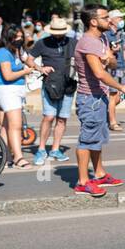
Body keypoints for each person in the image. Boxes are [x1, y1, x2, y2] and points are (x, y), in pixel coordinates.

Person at [72, 4, 125, 197]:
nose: (109, 21)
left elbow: (112, 60)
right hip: (90, 99)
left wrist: (107, 58)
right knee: (87, 140)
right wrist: (120, 87)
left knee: (97, 139)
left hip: (99, 96)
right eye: (105, 18)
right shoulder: (88, 42)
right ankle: (82, 182)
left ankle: (100, 174)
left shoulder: (101, 38)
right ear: (93, 22)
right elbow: (99, 72)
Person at [30, 16, 76, 166]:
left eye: (61, 32)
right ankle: (41, 149)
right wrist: (40, 68)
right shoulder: (42, 43)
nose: (58, 34)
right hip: (50, 84)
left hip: (68, 84)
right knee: (48, 117)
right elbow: (29, 59)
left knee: (62, 118)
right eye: (56, 31)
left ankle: (55, 149)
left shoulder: (72, 42)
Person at [0, 24, 37, 168]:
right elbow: (8, 75)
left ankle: (6, 157)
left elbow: (29, 60)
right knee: (16, 126)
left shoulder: (18, 50)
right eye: (16, 36)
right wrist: (25, 72)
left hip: (17, 90)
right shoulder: (3, 52)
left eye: (20, 36)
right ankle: (18, 157)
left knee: (6, 125)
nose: (19, 39)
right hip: (7, 90)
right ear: (8, 37)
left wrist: (41, 68)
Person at [103, 9, 125, 132]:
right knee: (113, 96)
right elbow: (105, 54)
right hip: (112, 68)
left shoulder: (120, 34)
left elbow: (124, 52)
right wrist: (113, 51)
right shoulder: (106, 35)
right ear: (111, 20)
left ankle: (106, 109)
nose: (121, 20)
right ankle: (112, 122)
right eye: (119, 18)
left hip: (122, 68)